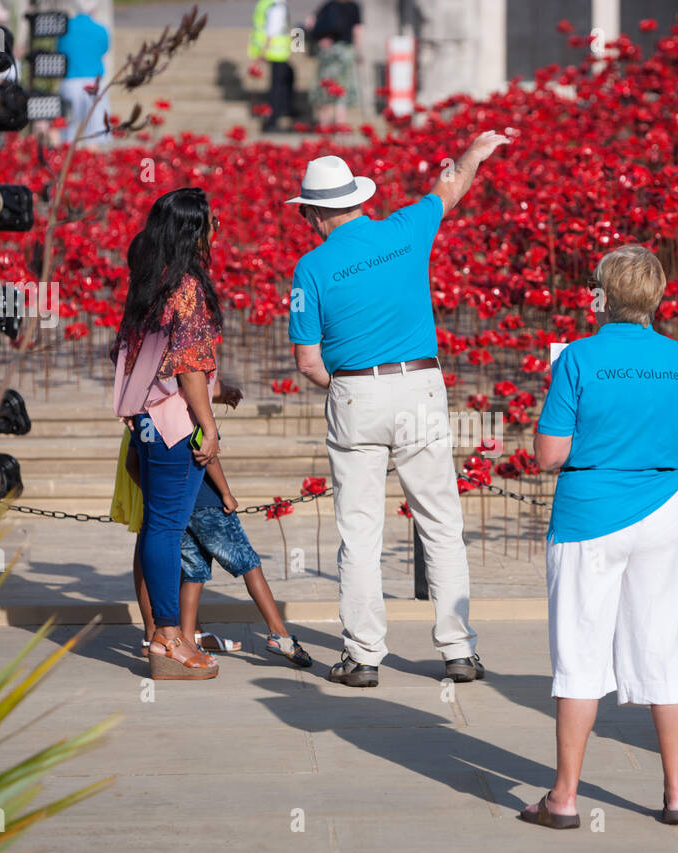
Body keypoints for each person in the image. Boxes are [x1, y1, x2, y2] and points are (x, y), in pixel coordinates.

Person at [287, 130, 510, 687]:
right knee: (440, 523)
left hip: (355, 391)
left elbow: (307, 361)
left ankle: (364, 657)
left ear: (314, 214)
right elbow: (450, 186)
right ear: (359, 200)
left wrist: (344, 387)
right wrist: (475, 153)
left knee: (358, 532)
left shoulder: (311, 268)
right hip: (419, 386)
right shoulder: (406, 229)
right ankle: (457, 651)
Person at [521, 245, 678, 829]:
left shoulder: (577, 358)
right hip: (662, 513)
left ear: (602, 295)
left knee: (579, 654)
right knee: (665, 646)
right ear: (655, 297)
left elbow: (548, 455)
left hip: (589, 516)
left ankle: (565, 799)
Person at [114, 392, 316, 669]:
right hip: (208, 504)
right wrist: (226, 494)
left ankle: (187, 640)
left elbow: (131, 465)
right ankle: (278, 633)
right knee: (249, 565)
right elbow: (207, 456)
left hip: (176, 511)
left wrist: (156, 496)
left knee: (194, 575)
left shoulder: (143, 418)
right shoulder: (186, 412)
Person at [111, 187, 223, 680]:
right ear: (194, 230)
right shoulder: (186, 287)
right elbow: (189, 366)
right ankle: (168, 638)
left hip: (146, 422)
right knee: (166, 528)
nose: (216, 229)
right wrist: (209, 425)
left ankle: (161, 634)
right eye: (210, 221)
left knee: (157, 528)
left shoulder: (149, 282)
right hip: (175, 423)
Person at [57, 0, 110, 146]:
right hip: (93, 82)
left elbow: (59, 49)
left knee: (68, 130)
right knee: (95, 131)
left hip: (70, 82)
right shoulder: (101, 29)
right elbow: (104, 50)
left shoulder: (65, 28)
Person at [306, 0, 361, 128]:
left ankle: (324, 124)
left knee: (326, 86)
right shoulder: (353, 6)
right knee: (342, 87)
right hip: (345, 51)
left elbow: (310, 22)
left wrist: (319, 38)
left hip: (328, 51)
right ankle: (340, 124)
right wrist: (358, 51)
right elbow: (357, 30)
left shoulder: (328, 5)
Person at [249, 0, 295, 133]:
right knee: (277, 87)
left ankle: (285, 111)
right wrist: (263, 52)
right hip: (276, 51)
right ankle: (273, 120)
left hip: (272, 50)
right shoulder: (277, 5)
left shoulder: (265, 3)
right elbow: (273, 29)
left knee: (287, 76)